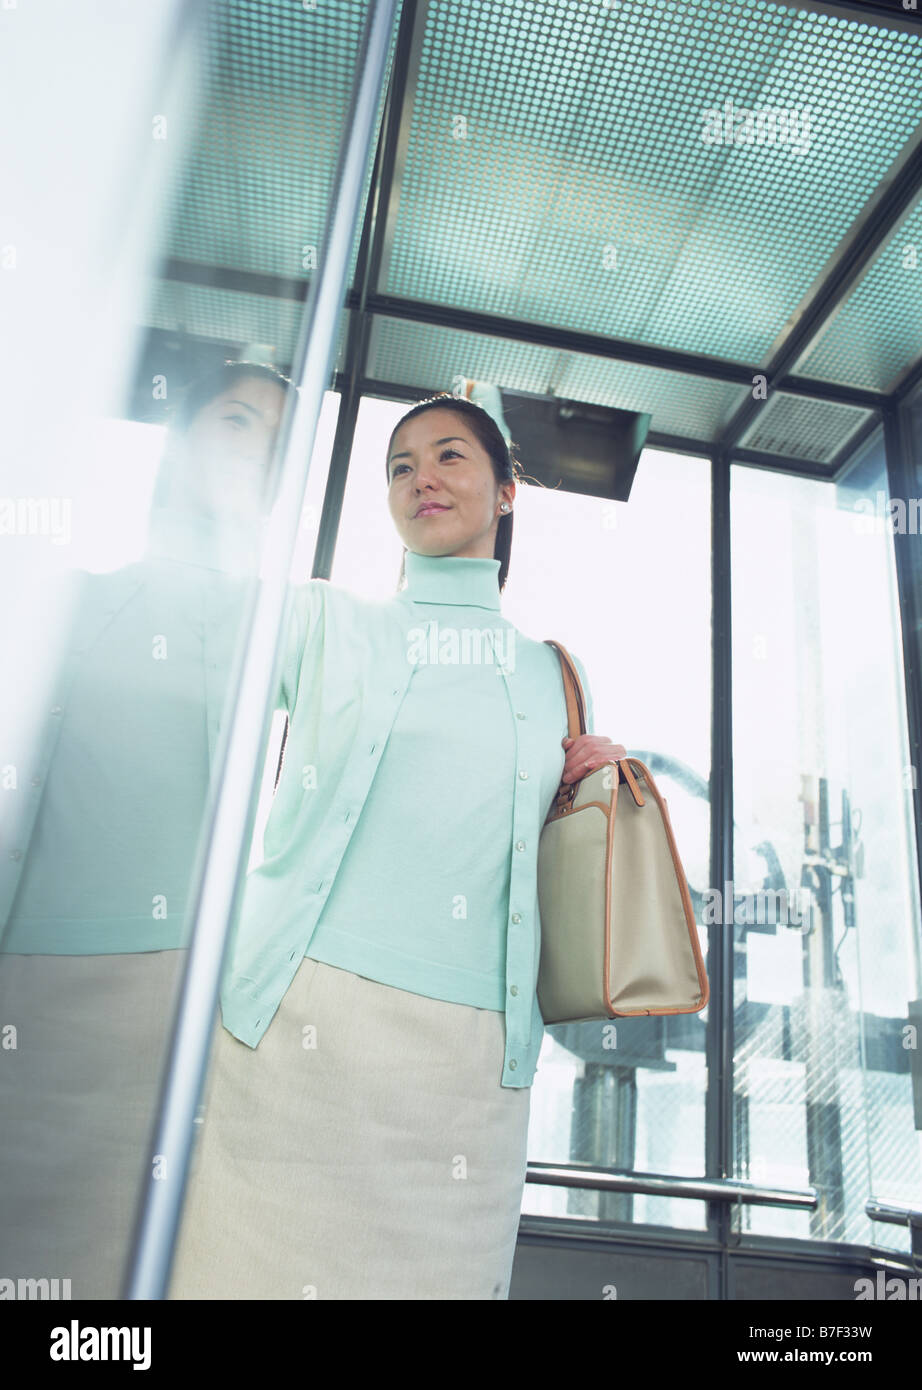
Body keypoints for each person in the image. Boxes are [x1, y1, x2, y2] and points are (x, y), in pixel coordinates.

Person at [167, 391, 620, 1300]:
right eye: (400, 466)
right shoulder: (327, 620)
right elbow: (195, 635)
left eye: (449, 456)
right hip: (294, 1040)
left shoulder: (554, 673)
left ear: (506, 492)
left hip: (463, 1079)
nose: (422, 479)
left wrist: (589, 788)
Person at [0, 360, 292, 1300]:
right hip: (47, 998)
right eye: (241, 420)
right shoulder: (76, 599)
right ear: (184, 439)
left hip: (192, 1009)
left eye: (281, 437)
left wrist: (572, 758)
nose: (260, 448)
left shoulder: (291, 625)